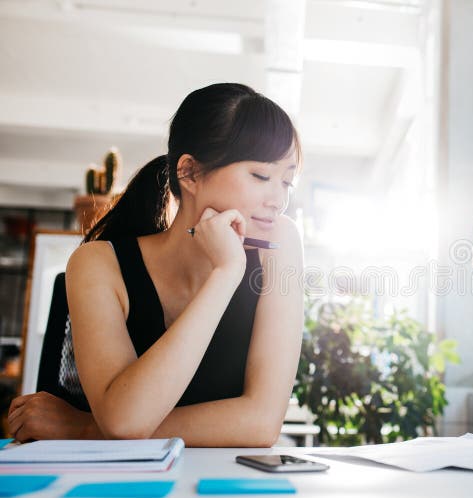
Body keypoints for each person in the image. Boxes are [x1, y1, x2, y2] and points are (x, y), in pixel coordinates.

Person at [7, 83, 304, 446]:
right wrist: (225, 274)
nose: (279, 200)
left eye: (287, 181)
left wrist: (83, 428)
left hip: (226, 493)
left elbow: (260, 423)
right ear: (190, 173)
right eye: (261, 176)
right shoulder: (99, 264)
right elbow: (127, 418)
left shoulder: (279, 243)